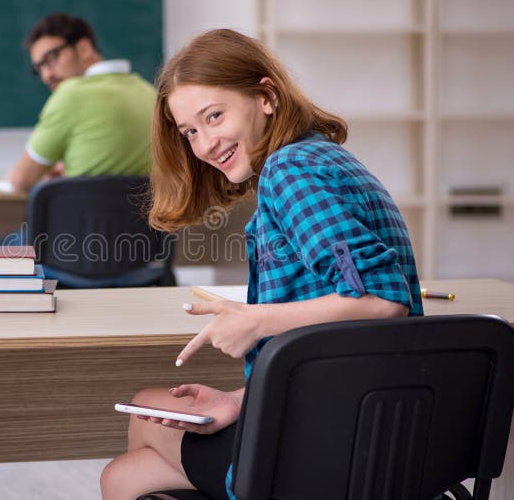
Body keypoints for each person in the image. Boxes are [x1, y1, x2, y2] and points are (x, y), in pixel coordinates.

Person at [99, 29, 424, 500]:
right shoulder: (322, 158)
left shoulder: (289, 172)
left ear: (266, 96)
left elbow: (382, 299)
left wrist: (255, 320)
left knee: (144, 410)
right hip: (369, 425)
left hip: (328, 448)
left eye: (214, 116)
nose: (205, 144)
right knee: (125, 477)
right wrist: (238, 400)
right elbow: (338, 346)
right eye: (190, 131)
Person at [5, 13, 155, 193]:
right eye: (40, 68)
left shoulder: (69, 94)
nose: (46, 76)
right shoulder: (148, 92)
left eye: (52, 59)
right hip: (145, 220)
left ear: (83, 48)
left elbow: (20, 180)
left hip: (82, 220)